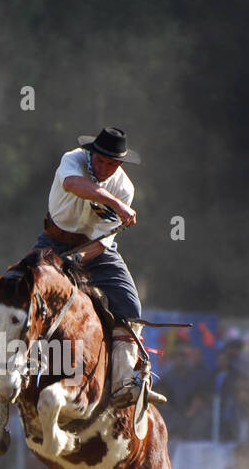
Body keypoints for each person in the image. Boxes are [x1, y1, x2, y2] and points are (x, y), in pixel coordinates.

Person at [32, 126, 160, 407]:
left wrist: (74, 261)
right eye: (99, 160)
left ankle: (125, 381)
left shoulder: (126, 188)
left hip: (95, 251)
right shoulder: (73, 159)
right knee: (21, 291)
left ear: (120, 164)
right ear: (91, 153)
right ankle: (10, 368)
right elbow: (72, 185)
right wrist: (114, 202)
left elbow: (103, 241)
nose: (103, 168)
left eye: (111, 163)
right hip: (53, 240)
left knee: (130, 306)